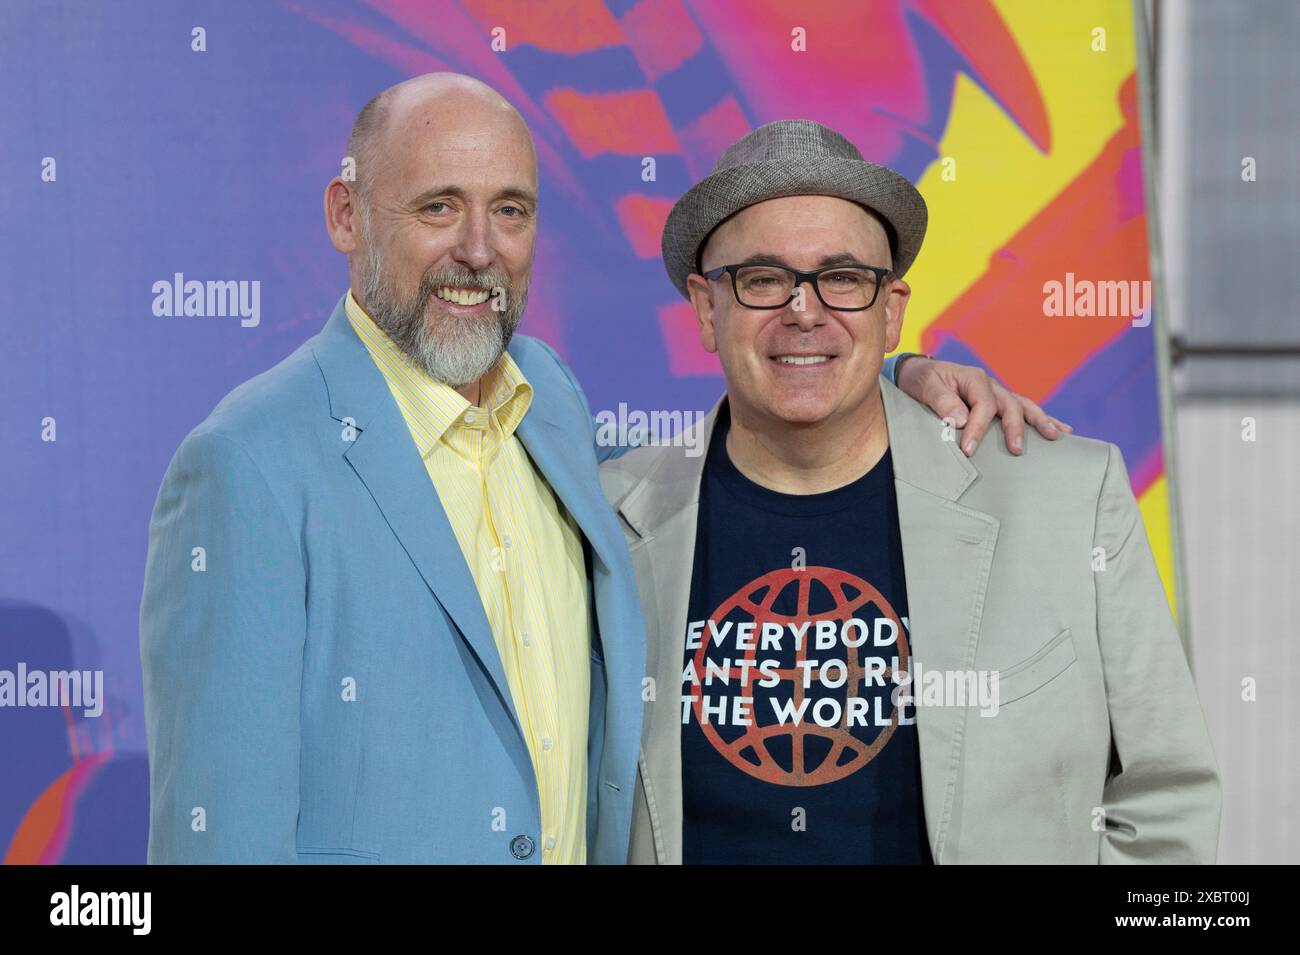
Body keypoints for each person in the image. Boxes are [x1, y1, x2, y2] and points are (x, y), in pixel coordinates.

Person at [140, 74, 1061, 865]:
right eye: (436, 206)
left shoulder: (550, 399)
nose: (478, 248)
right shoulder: (246, 467)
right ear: (346, 215)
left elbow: (741, 440)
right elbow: (220, 836)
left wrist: (895, 378)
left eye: (510, 210)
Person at [599, 119, 1220, 864]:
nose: (804, 309)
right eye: (764, 278)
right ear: (707, 307)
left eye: (843, 278)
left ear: (891, 309)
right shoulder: (603, 521)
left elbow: (1168, 801)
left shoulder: (1067, 498)